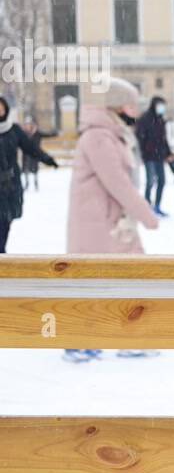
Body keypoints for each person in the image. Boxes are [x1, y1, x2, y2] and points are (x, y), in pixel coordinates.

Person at [65, 79, 160, 362]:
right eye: (131, 105)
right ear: (117, 106)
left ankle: (125, 338)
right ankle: (81, 341)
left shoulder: (112, 134)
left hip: (113, 222)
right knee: (100, 280)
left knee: (125, 277)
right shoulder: (99, 137)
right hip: (99, 222)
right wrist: (146, 214)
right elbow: (117, 182)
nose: (136, 112)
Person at [0, 98, 59, 253]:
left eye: (1, 107)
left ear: (6, 109)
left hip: (11, 185)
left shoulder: (14, 130)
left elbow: (31, 148)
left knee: (6, 221)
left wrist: (47, 159)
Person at [136, 96, 173, 216]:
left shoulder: (161, 120)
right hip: (149, 156)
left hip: (159, 156)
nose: (162, 108)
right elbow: (140, 137)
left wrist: (168, 153)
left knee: (161, 181)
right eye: (160, 105)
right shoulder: (145, 119)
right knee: (150, 181)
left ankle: (157, 205)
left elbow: (163, 139)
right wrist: (142, 152)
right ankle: (147, 206)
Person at [19, 117, 59, 191]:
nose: (28, 126)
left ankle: (35, 183)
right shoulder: (22, 134)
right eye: (26, 124)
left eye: (29, 124)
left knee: (35, 169)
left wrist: (55, 133)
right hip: (26, 155)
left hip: (36, 154)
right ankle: (27, 183)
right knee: (26, 169)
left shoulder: (37, 133)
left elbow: (47, 135)